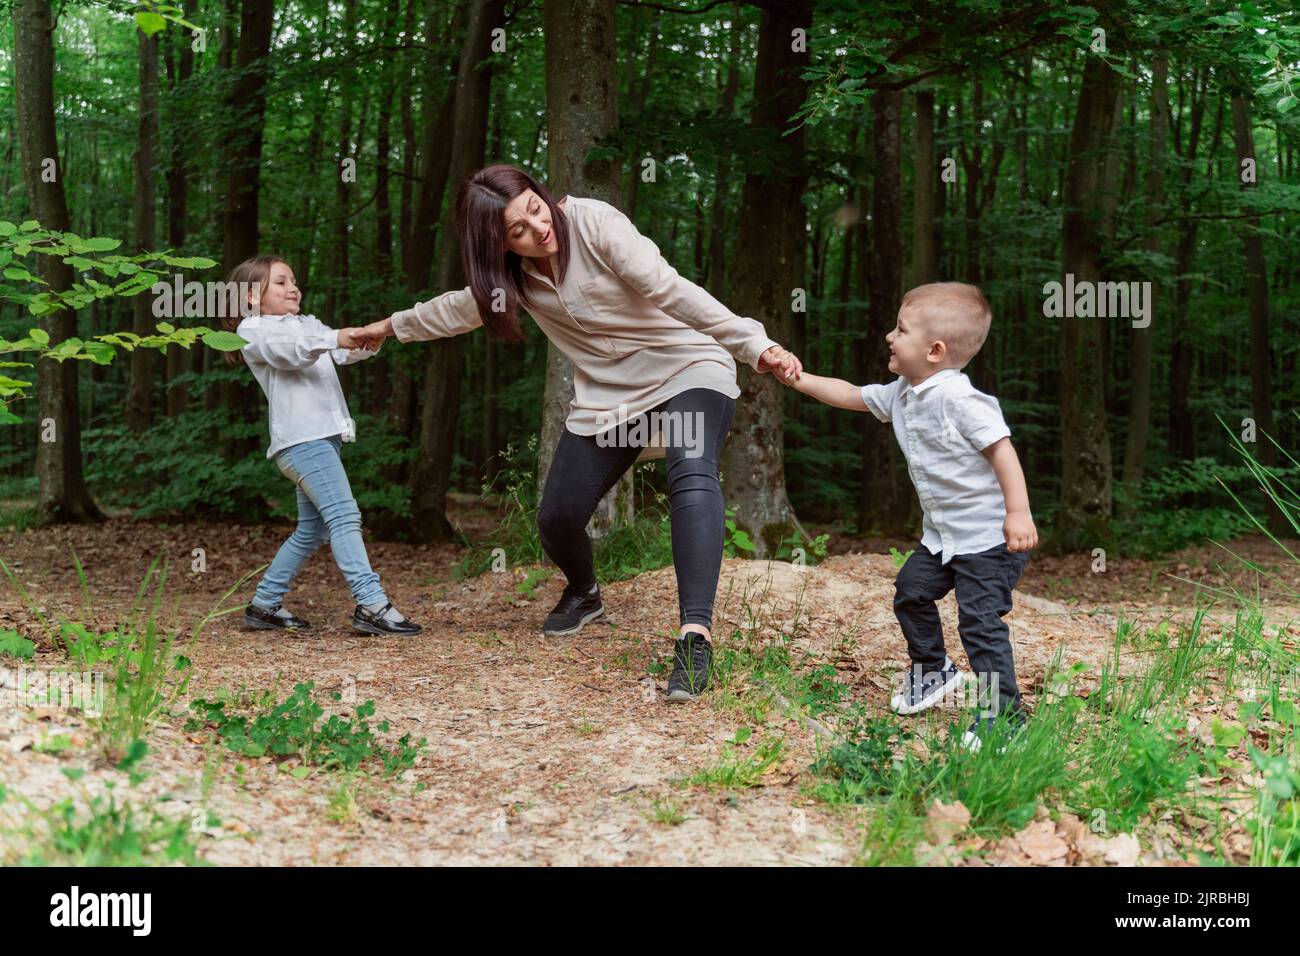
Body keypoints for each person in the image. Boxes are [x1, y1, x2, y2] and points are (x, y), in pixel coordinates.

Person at [357, 165, 802, 700]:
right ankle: (585, 593)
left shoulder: (593, 223)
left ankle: (695, 637)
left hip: (687, 366)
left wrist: (753, 344)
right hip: (610, 400)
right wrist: (385, 328)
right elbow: (457, 309)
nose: (537, 229)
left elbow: (670, 289)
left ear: (543, 196)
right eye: (516, 230)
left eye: (535, 209)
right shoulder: (512, 279)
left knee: (691, 467)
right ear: (495, 244)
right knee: (558, 516)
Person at [784, 282, 1036, 751]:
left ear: (935, 350)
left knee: (979, 623)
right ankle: (934, 669)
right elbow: (849, 395)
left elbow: (1002, 450)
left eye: (901, 330)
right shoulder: (903, 393)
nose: (889, 336)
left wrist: (1018, 513)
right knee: (912, 593)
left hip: (987, 539)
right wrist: (798, 379)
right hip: (943, 538)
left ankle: (1004, 716)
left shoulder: (961, 400)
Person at [227, 255, 423, 637]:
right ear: (252, 296)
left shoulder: (305, 324)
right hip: (302, 441)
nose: (293, 288)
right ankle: (371, 604)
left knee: (311, 530)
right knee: (345, 516)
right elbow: (294, 350)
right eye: (281, 282)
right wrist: (335, 336)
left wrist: (370, 338)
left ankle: (264, 606)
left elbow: (338, 351)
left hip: (320, 440)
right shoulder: (255, 329)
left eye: (294, 280)